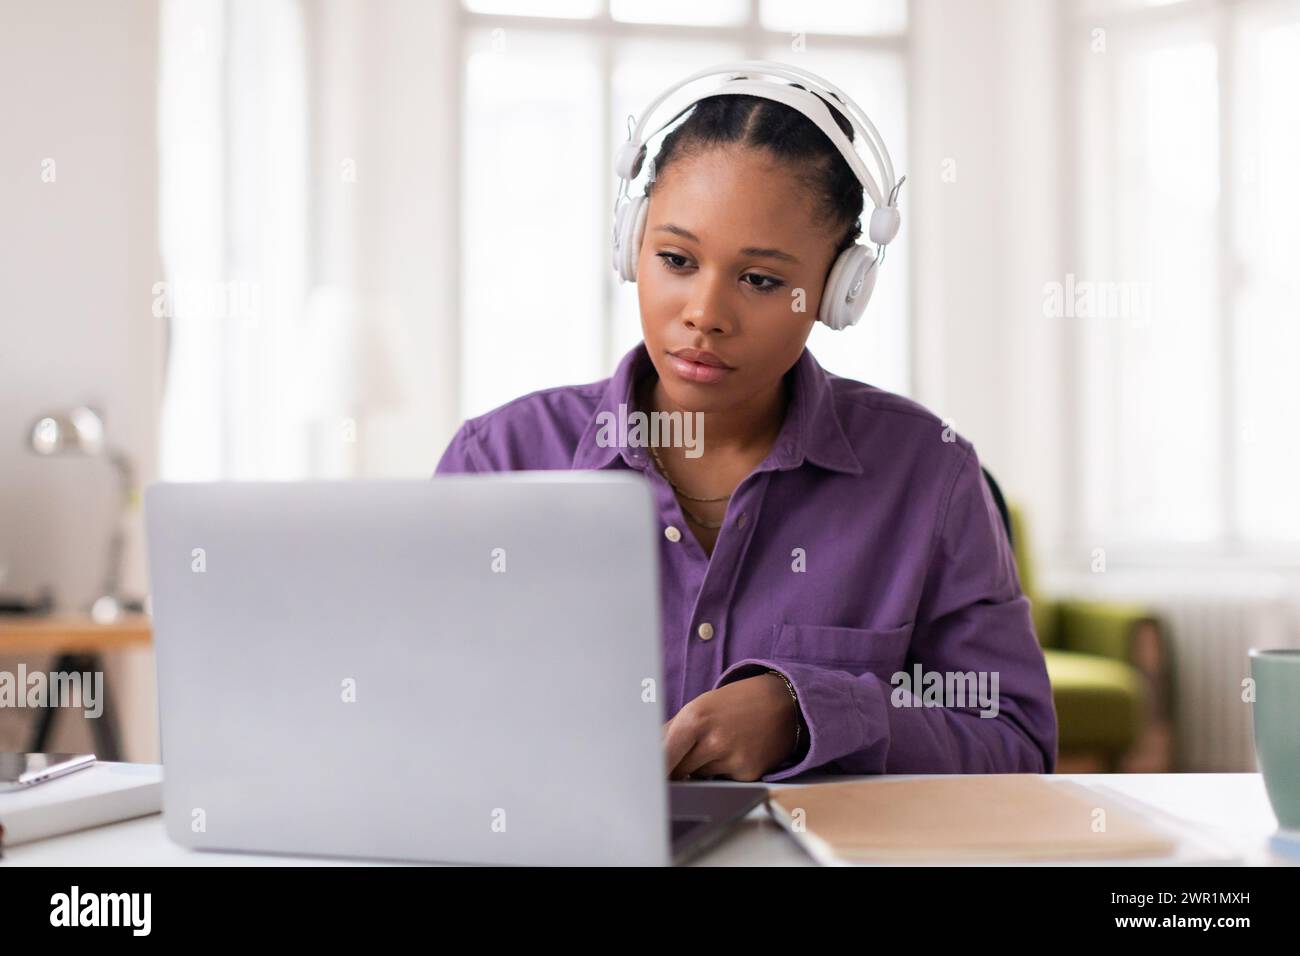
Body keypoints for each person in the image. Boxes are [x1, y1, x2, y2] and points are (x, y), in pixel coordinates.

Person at [436, 64, 1057, 783]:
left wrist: (806, 715)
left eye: (761, 280)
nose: (705, 314)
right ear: (631, 246)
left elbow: (1015, 741)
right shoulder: (498, 461)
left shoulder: (927, 474)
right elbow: (413, 719)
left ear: (839, 290)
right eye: (676, 259)